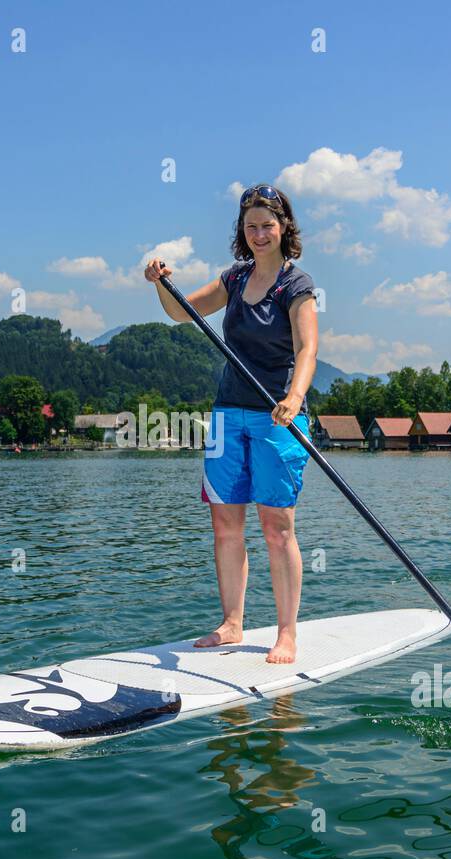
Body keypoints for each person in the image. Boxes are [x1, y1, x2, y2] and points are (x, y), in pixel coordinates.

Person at [145, 184, 318, 663]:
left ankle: (286, 633)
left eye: (267, 224)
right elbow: (181, 313)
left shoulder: (296, 285)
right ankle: (232, 623)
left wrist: (294, 396)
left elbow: (307, 351)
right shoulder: (235, 279)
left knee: (276, 527)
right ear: (242, 232)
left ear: (284, 228)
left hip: (277, 417)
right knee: (225, 523)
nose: (259, 233)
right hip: (227, 414)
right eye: (251, 226)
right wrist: (161, 281)